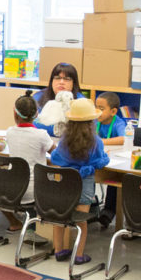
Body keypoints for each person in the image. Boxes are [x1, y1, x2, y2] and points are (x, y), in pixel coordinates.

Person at [48, 98, 109, 265]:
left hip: (64, 184)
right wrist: (105, 157)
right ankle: (79, 255)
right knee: (81, 220)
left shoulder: (64, 140)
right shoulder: (95, 141)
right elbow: (100, 162)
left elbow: (55, 158)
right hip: (84, 183)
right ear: (91, 122)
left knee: (60, 218)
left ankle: (59, 250)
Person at [2, 92, 54, 222]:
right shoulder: (41, 134)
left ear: (15, 113)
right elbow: (57, 155)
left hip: (13, 190)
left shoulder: (10, 132)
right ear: (37, 114)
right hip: (34, 192)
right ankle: (34, 224)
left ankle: (20, 223)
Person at [94, 92, 127, 227]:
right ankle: (90, 204)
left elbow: (123, 138)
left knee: (115, 180)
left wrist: (101, 141)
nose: (97, 111)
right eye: (96, 107)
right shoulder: (95, 120)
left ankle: (108, 211)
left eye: (101, 109)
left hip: (114, 161)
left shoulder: (118, 123)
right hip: (97, 158)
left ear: (113, 111)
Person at [33, 62, 85, 138]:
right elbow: (31, 122)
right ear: (52, 81)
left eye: (67, 79)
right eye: (57, 78)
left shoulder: (81, 102)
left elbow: (83, 130)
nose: (61, 82)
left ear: (73, 83)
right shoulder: (38, 96)